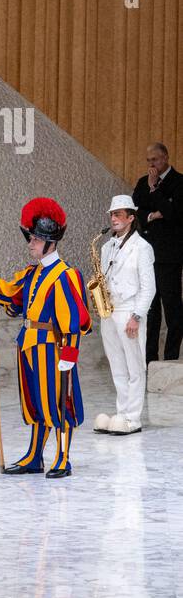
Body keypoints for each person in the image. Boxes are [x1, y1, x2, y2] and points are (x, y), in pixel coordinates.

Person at [0, 197, 92, 479]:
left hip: (53, 349)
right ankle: (34, 456)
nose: (31, 243)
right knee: (37, 403)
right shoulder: (32, 273)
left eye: (36, 239)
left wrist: (69, 356)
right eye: (31, 237)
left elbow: (75, 322)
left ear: (51, 243)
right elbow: (11, 296)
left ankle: (62, 457)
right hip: (28, 345)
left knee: (60, 403)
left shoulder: (66, 276)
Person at [93, 195, 155, 435]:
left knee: (135, 367)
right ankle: (122, 413)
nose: (114, 218)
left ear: (131, 218)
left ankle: (133, 418)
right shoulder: (107, 246)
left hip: (130, 311)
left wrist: (136, 316)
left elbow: (149, 287)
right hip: (109, 312)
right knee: (117, 366)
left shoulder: (142, 247)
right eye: (112, 214)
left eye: (119, 214)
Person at [131, 142, 183, 361]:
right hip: (147, 256)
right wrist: (152, 215)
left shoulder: (179, 182)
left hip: (169, 257)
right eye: (148, 160)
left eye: (155, 159)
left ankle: (170, 359)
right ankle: (149, 359)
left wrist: (154, 190)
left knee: (172, 310)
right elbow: (135, 210)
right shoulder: (143, 182)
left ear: (166, 158)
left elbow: (173, 213)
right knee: (150, 311)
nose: (151, 164)